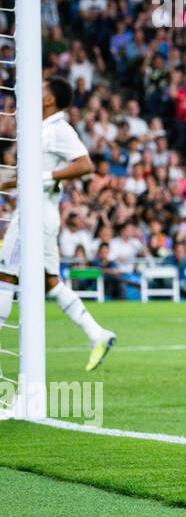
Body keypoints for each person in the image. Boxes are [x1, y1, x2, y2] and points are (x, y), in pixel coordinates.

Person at [0, 77, 116, 371]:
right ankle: (97, 333)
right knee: (49, 281)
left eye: (41, 90)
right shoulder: (41, 129)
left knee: (4, 275)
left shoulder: (59, 130)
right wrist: (8, 181)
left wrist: (42, 179)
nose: (36, 92)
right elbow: (32, 172)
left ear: (51, 99)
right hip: (41, 213)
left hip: (35, 215)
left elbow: (84, 164)